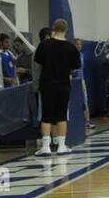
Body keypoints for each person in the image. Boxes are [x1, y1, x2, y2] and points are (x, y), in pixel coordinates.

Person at [32, 19, 81, 156]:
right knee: (61, 115)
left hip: (46, 84)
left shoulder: (44, 45)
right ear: (66, 30)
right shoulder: (71, 47)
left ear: (54, 29)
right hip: (63, 85)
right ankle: (61, 146)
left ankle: (46, 147)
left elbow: (37, 65)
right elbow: (76, 67)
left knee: (46, 116)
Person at [72, 38, 93, 130]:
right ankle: (75, 122)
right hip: (73, 81)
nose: (79, 46)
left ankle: (87, 122)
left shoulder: (82, 55)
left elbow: (80, 68)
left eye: (80, 44)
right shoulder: (70, 55)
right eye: (77, 44)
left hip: (81, 80)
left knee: (85, 101)